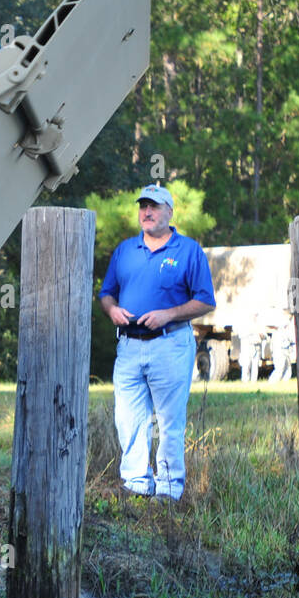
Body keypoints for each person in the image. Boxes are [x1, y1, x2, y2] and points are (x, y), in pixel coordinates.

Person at [99, 184, 216, 500]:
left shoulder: (188, 250)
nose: (147, 212)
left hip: (170, 343)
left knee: (169, 421)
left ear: (169, 212)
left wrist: (169, 314)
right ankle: (136, 484)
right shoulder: (125, 250)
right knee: (129, 419)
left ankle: (168, 489)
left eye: (154, 206)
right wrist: (112, 310)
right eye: (142, 207)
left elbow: (205, 301)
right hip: (128, 346)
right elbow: (106, 293)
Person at [269, 314, 295, 382]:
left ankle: (285, 380)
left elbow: (290, 339)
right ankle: (273, 381)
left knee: (288, 367)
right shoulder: (278, 333)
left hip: (286, 350)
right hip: (279, 350)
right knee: (280, 367)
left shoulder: (286, 331)